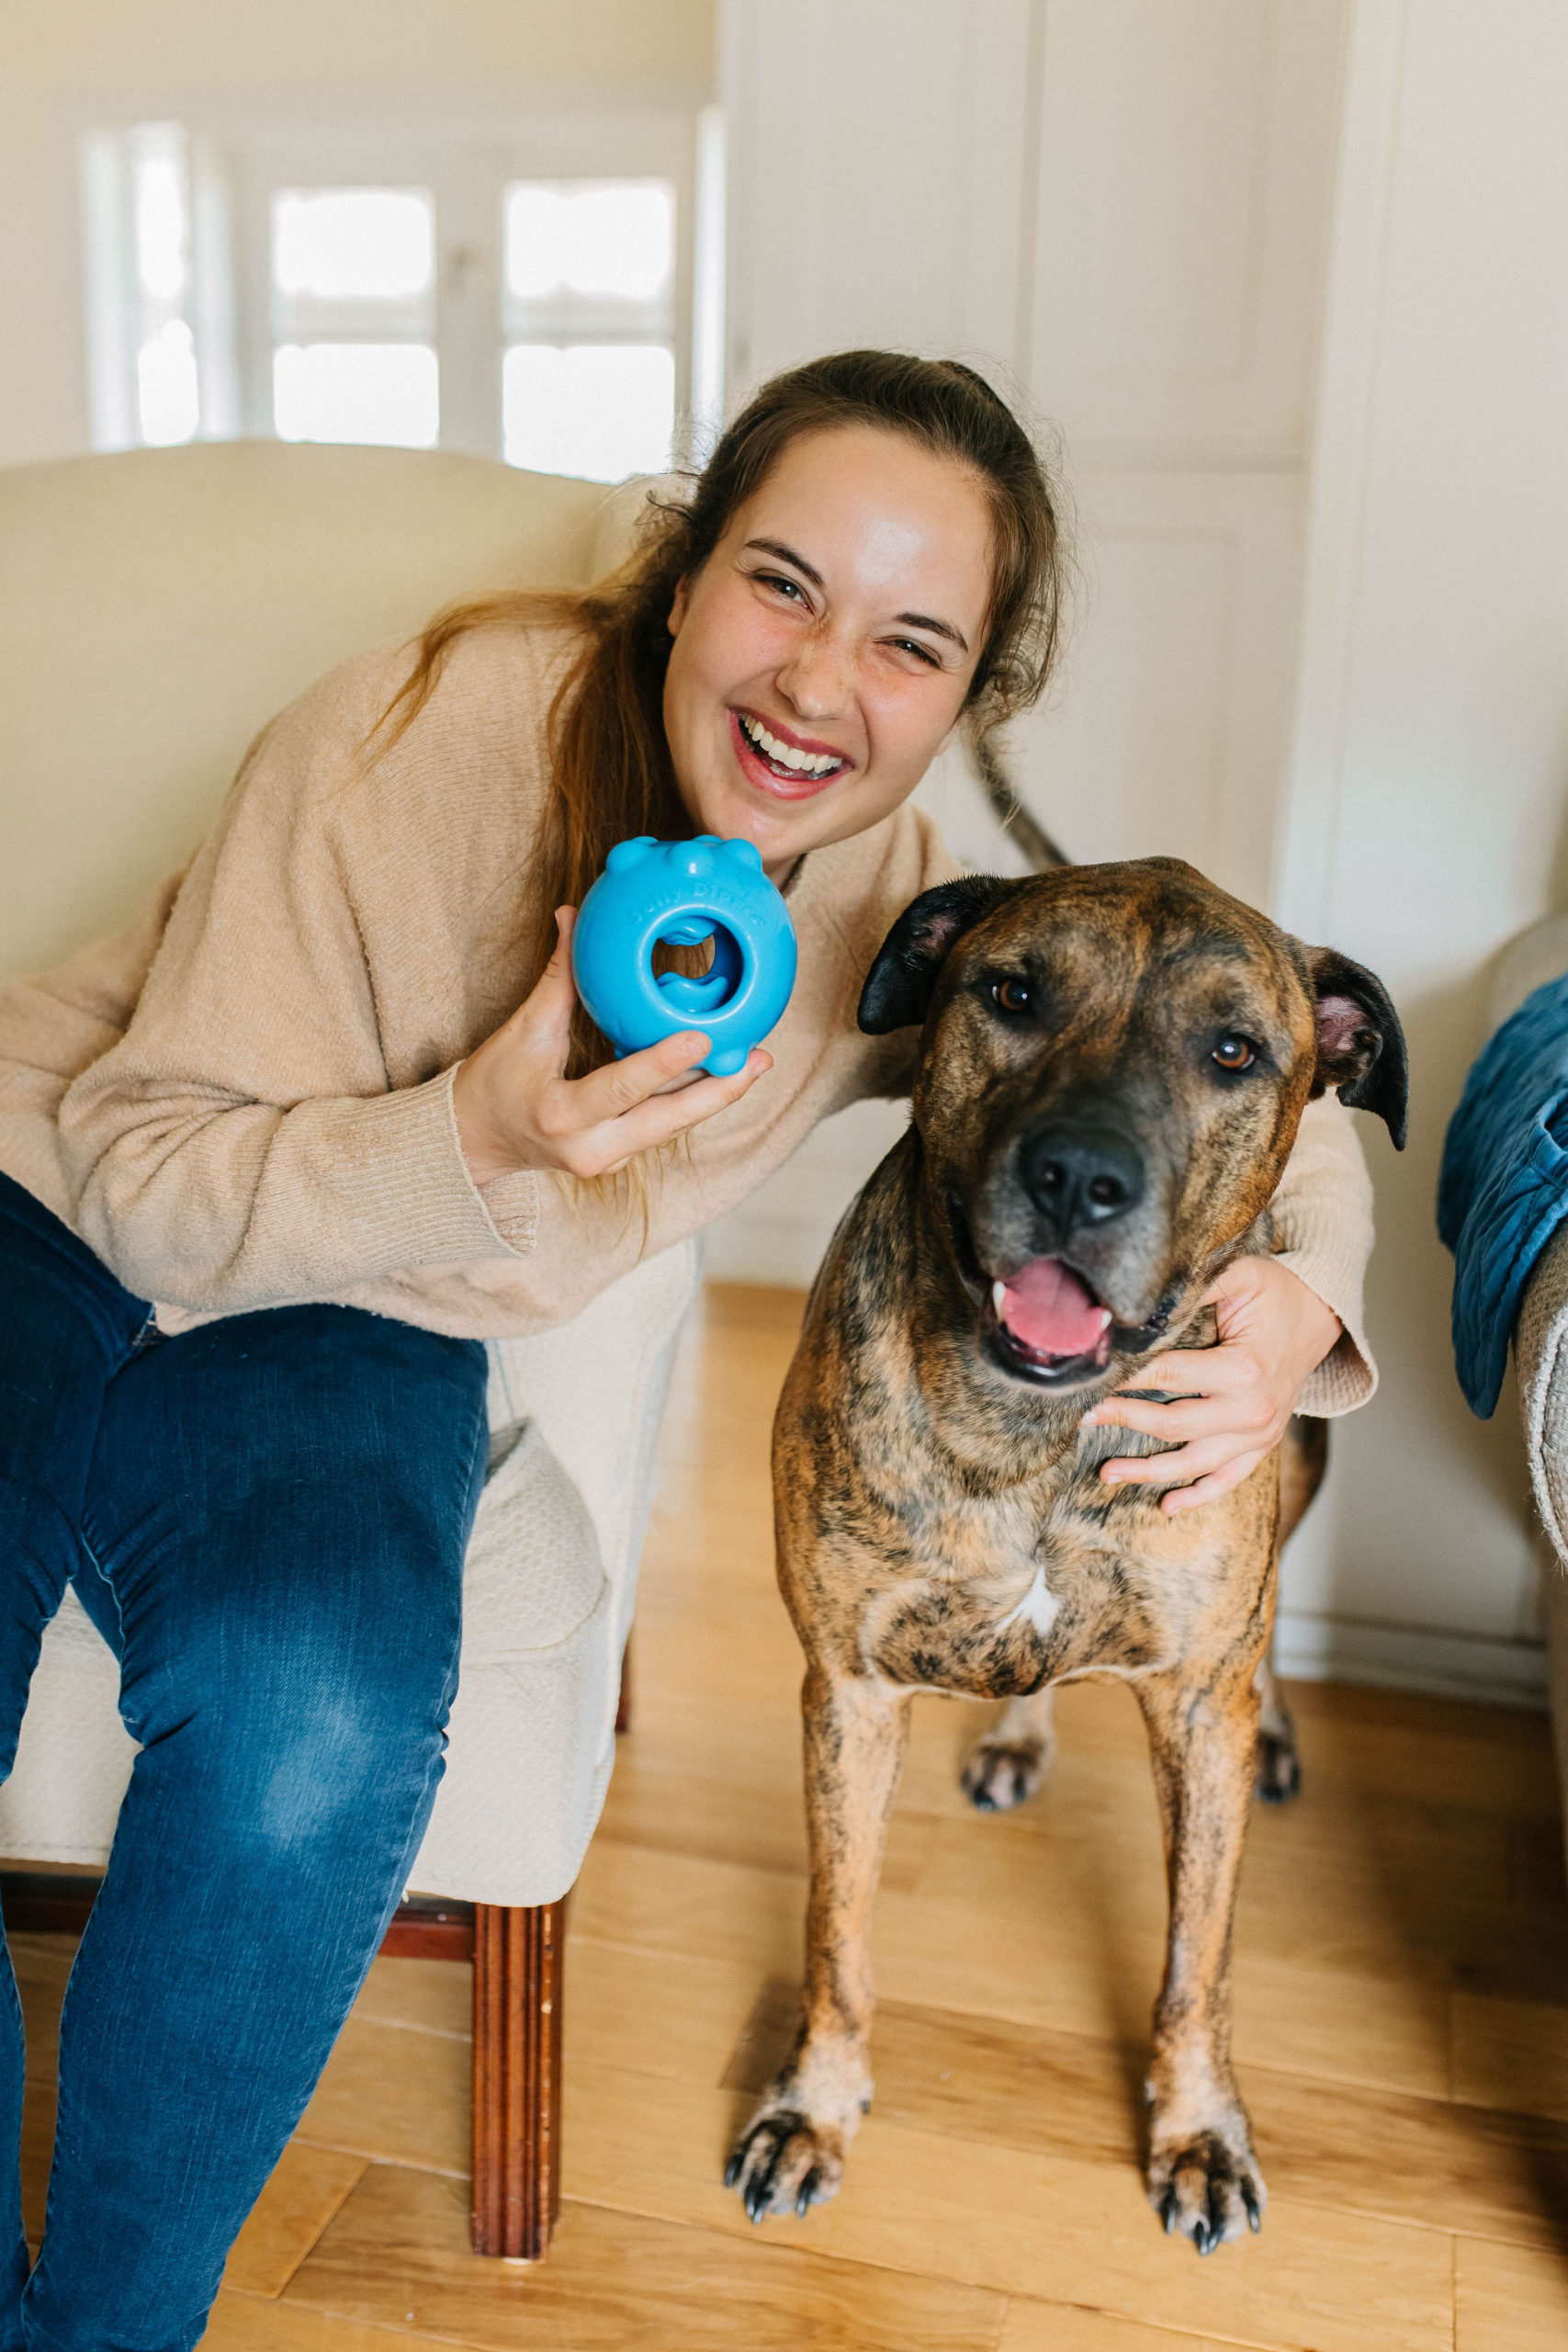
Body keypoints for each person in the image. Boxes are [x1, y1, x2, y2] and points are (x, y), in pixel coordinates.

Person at [0, 351, 1374, 2346]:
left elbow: (1258, 1076)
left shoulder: (928, 935)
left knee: (321, 1710)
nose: (821, 684)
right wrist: (469, 1134)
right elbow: (136, 1162)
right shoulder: (432, 726)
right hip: (61, 1196)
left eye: (909, 641)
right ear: (679, 567)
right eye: (780, 584)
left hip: (344, 1317)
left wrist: (1299, 1305)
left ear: (967, 701)